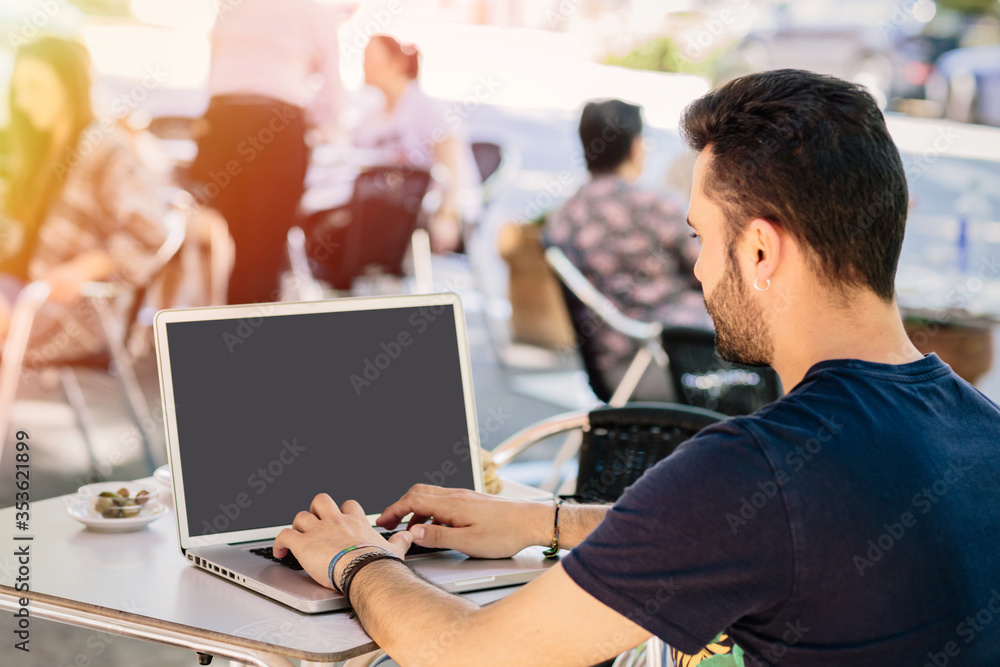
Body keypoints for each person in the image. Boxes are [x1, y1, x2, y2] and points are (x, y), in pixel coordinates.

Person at [272, 70, 1000, 666]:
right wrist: (542, 519)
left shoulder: (757, 469)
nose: (697, 265)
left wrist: (355, 560)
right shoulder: (980, 429)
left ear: (758, 251)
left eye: (700, 235)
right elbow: (752, 537)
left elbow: (466, 652)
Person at [0, 37, 168, 366]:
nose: (23, 100)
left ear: (68, 85)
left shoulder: (103, 150)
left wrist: (86, 267)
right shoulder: (37, 149)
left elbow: (152, 230)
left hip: (58, 306)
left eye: (35, 86)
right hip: (14, 284)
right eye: (19, 89)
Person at [545, 99, 710, 401]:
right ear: (635, 147)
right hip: (672, 356)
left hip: (611, 363)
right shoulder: (655, 205)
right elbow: (709, 275)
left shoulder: (563, 218)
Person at [189, 0, 344, 304]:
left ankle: (220, 321)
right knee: (265, 245)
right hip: (276, 129)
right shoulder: (314, 11)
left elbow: (214, 69)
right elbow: (332, 98)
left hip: (222, 124)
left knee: (228, 241)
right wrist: (315, 126)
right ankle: (247, 334)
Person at [352, 34, 481, 254]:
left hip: (431, 213)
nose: (364, 65)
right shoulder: (372, 115)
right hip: (387, 213)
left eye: (370, 57)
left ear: (396, 63)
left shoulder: (426, 106)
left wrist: (447, 216)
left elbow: (453, 167)